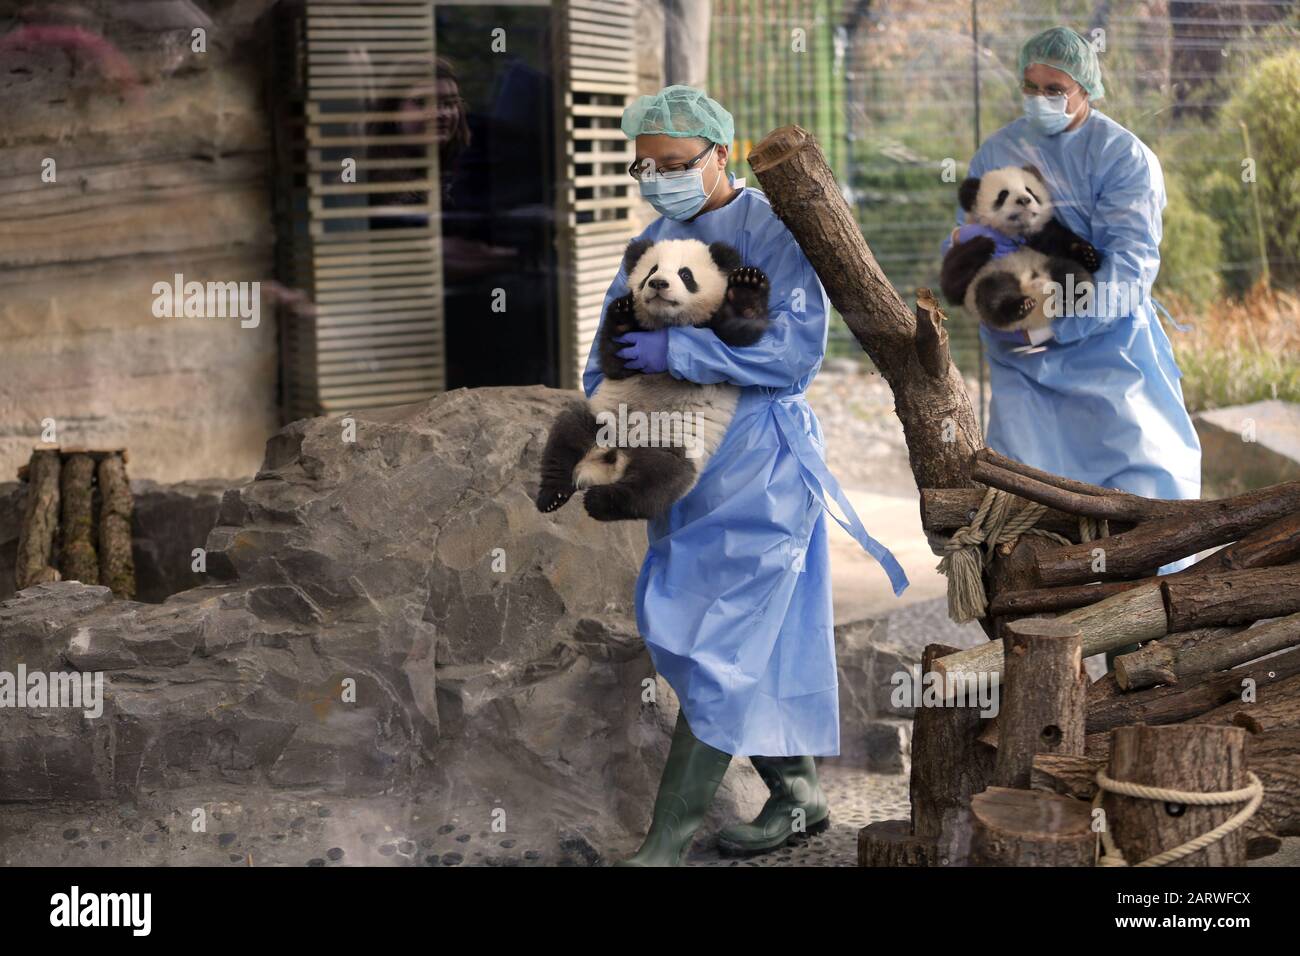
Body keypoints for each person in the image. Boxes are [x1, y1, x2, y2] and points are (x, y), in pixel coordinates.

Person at [585, 86, 909, 866]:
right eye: (645, 165)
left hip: (762, 469)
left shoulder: (774, 231)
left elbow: (793, 353)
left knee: (722, 649)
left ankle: (665, 842)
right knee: (692, 638)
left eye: (674, 163)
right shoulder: (654, 238)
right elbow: (605, 355)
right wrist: (615, 404)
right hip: (683, 470)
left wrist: (681, 351)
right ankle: (798, 795)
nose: (657, 177)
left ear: (718, 154)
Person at [953, 28, 1201, 552]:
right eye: (1030, 86)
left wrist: (1061, 324)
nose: (1039, 98)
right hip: (1025, 360)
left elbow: (1131, 265)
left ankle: (1148, 599)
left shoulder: (1122, 156)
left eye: (1055, 89)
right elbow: (975, 244)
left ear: (1087, 88)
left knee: (1144, 488)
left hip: (1112, 350)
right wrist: (1003, 307)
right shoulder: (997, 151)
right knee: (1025, 501)